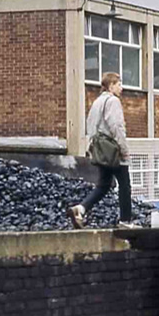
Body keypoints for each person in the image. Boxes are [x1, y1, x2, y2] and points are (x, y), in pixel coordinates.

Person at [67, 72, 132, 228]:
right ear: (111, 86)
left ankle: (81, 209)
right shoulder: (113, 101)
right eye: (119, 84)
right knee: (125, 185)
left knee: (103, 185)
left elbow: (91, 126)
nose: (121, 88)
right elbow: (116, 127)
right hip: (113, 151)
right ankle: (125, 221)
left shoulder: (97, 102)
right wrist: (124, 149)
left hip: (100, 151)